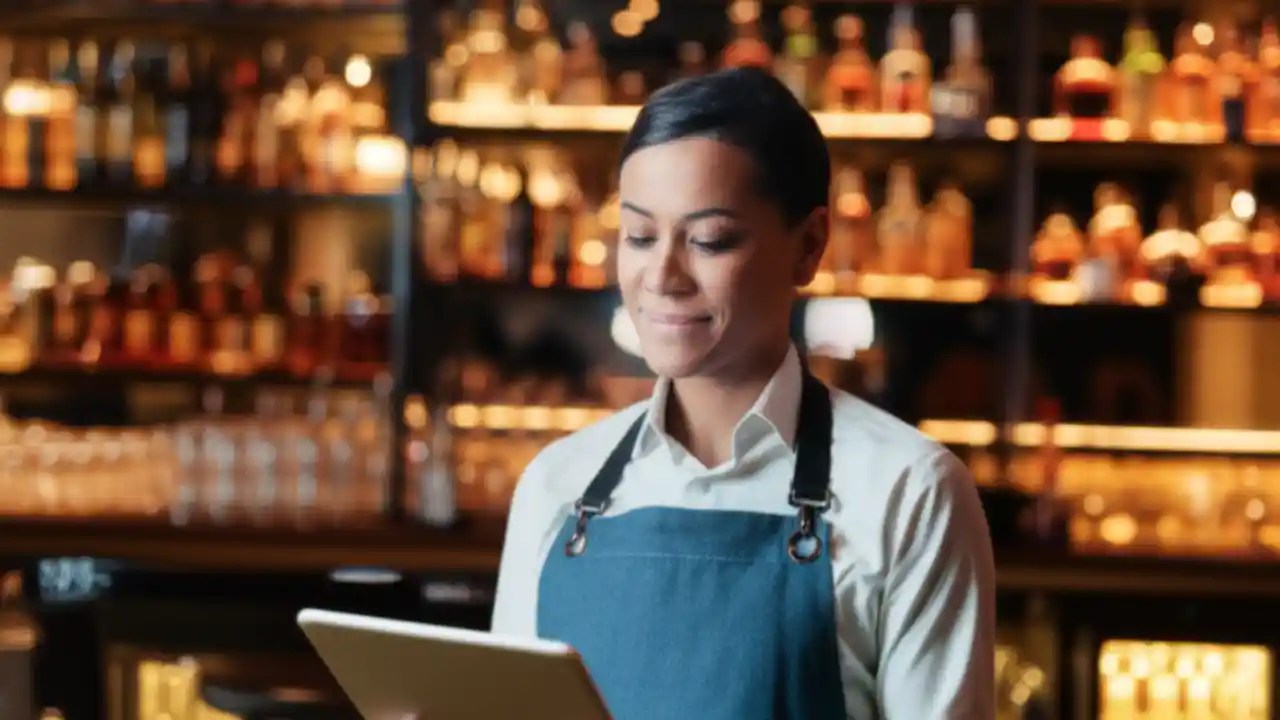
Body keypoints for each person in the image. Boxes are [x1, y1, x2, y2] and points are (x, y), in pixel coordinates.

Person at [491, 67, 995, 719]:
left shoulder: (910, 493)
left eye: (709, 240)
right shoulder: (555, 486)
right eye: (639, 237)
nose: (662, 277)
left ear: (808, 246)